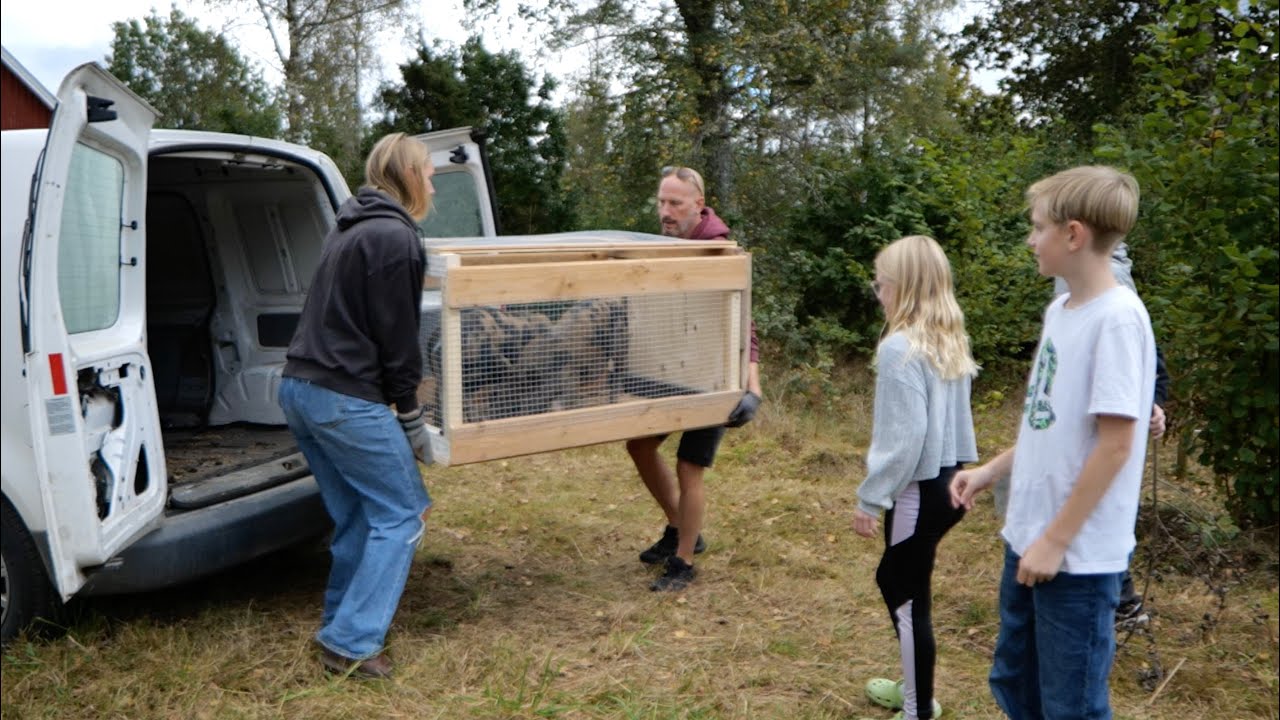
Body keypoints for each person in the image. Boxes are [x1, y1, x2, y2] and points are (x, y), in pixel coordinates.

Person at [951, 165, 1156, 719]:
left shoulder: (1116, 319)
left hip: (1077, 558)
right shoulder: (1060, 311)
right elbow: (1051, 426)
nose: (1030, 239)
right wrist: (992, 470)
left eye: (1037, 227)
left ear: (1073, 234)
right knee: (1016, 681)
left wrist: (1057, 542)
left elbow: (1115, 446)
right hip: (1029, 533)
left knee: (1071, 705)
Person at [277, 132, 436, 679]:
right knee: (403, 512)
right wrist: (412, 415)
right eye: (429, 172)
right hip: (343, 397)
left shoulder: (348, 227)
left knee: (357, 515)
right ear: (410, 175)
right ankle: (351, 644)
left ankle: (338, 623)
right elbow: (398, 338)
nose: (433, 181)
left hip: (300, 387)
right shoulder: (396, 237)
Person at [853, 236, 979, 720]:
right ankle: (916, 691)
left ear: (902, 287)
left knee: (904, 594)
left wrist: (871, 499)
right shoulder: (948, 337)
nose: (876, 291)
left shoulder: (900, 348)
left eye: (880, 282)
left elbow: (905, 439)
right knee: (903, 584)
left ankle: (916, 709)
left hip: (918, 491)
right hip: (950, 484)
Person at [628, 165, 762, 592]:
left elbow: (746, 324)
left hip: (713, 377)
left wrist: (752, 387)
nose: (665, 212)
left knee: (690, 467)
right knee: (640, 444)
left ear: (698, 205)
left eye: (676, 204)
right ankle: (680, 527)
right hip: (671, 371)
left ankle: (684, 561)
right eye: (661, 202)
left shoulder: (718, 251)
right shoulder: (667, 245)